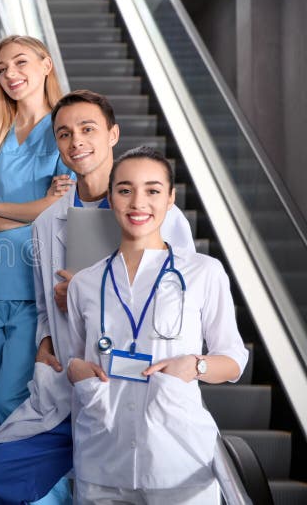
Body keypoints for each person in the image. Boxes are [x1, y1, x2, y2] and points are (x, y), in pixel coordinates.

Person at [0, 90, 196, 504]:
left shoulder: (161, 214)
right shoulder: (47, 222)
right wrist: (43, 344)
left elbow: (184, 300)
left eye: (87, 129)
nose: (76, 141)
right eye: (64, 134)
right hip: (71, 384)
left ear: (113, 135)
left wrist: (93, 290)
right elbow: (44, 304)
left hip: (140, 387)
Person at [66, 146, 248, 503]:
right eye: (124, 190)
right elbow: (75, 355)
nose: (138, 202)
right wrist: (77, 371)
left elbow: (234, 360)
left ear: (170, 199)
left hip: (180, 463)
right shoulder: (85, 283)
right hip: (102, 460)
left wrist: (195, 366)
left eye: (152, 190)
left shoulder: (202, 272)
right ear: (111, 196)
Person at [0, 34, 73, 437]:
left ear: (46, 65)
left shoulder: (64, 130)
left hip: (34, 285)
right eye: (2, 68)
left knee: (15, 397)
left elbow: (62, 212)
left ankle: (39, 498)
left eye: (21, 63)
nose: (11, 74)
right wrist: (28, 215)